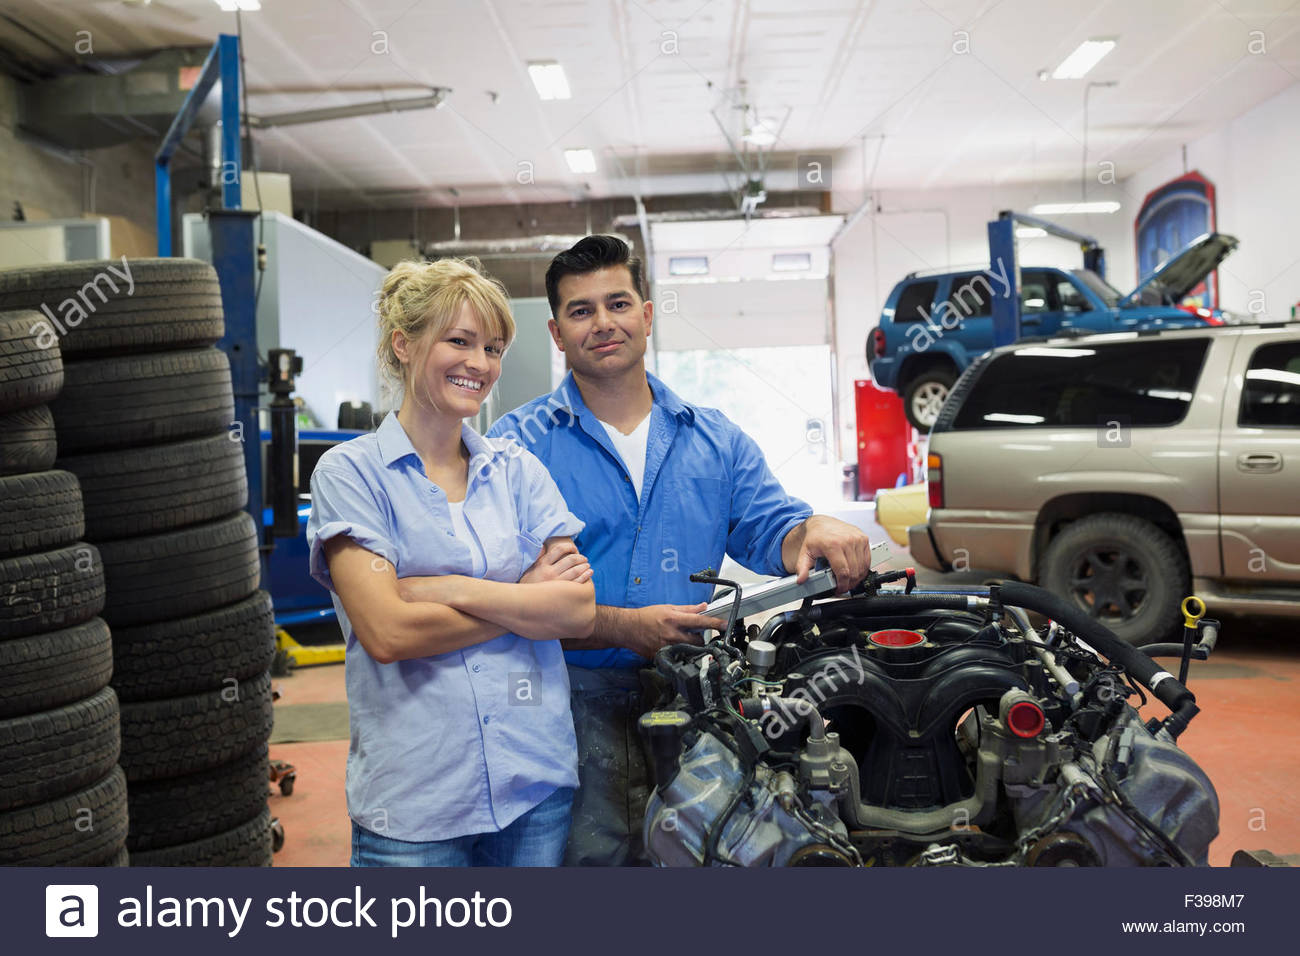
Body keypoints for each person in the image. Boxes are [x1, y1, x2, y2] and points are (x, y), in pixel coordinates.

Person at [488, 235, 873, 865]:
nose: (603, 323)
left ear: (646, 312)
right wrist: (619, 625)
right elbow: (496, 597)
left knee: (701, 857)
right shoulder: (516, 445)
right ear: (557, 334)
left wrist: (814, 531)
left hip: (696, 698)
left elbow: (772, 528)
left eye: (618, 302)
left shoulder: (713, 438)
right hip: (562, 705)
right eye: (581, 311)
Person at [306, 257, 596, 867]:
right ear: (403, 345)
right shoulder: (351, 474)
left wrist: (437, 588)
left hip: (533, 788)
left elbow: (575, 609)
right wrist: (524, 601)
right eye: (459, 341)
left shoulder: (517, 469)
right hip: (415, 806)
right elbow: (387, 633)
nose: (480, 364)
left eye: (492, 348)